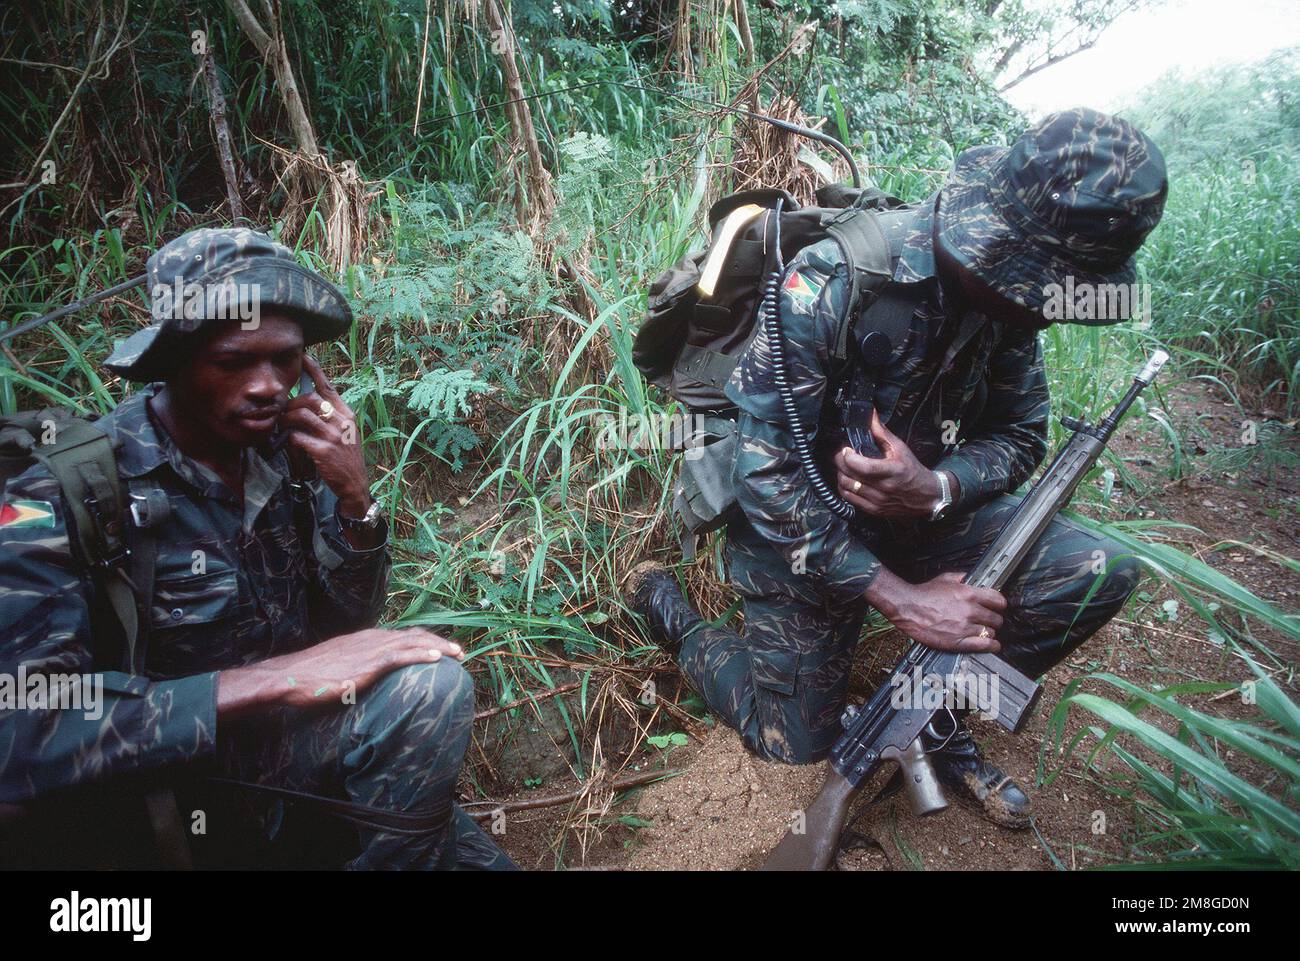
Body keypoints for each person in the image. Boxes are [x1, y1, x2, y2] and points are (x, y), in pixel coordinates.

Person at [626, 108, 1168, 828]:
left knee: (1097, 566)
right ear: (1001, 244)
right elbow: (766, 479)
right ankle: (669, 610)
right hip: (799, 535)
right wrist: (901, 599)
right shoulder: (831, 281)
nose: (1045, 309)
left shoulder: (1010, 307)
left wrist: (936, 487)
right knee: (795, 743)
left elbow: (1019, 435)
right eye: (1042, 285)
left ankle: (929, 719)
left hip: (917, 521)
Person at [0, 227, 514, 869]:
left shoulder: (292, 457)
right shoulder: (69, 490)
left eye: (286, 359)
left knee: (431, 701)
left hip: (293, 769)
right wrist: (269, 682)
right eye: (234, 361)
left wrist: (355, 499)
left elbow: (348, 629)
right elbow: (19, 728)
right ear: (173, 363)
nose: (269, 385)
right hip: (169, 800)